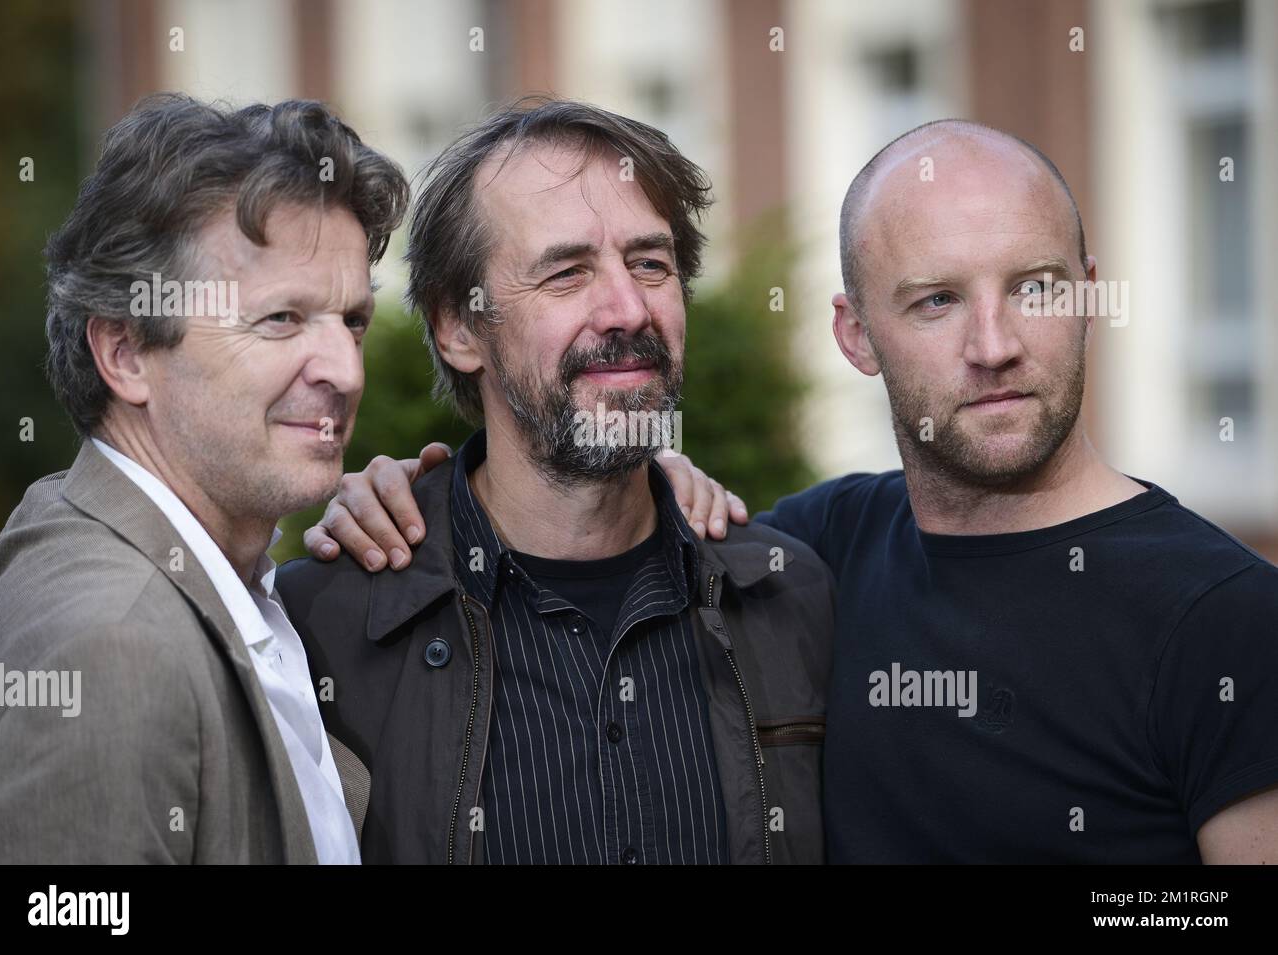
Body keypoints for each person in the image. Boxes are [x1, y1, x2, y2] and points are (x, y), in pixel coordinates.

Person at [313, 119, 1278, 864]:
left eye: (651, 263)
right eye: (937, 300)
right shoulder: (819, 552)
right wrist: (400, 494)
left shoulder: (1228, 614)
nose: (995, 345)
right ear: (855, 334)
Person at [275, 99, 836, 864]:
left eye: (650, 263)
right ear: (457, 327)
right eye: (567, 273)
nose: (627, 307)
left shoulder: (789, 600)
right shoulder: (319, 633)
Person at [0, 93, 409, 863]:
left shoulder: (204, 576)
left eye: (352, 320)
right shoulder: (116, 645)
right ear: (126, 352)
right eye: (280, 319)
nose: (345, 370)